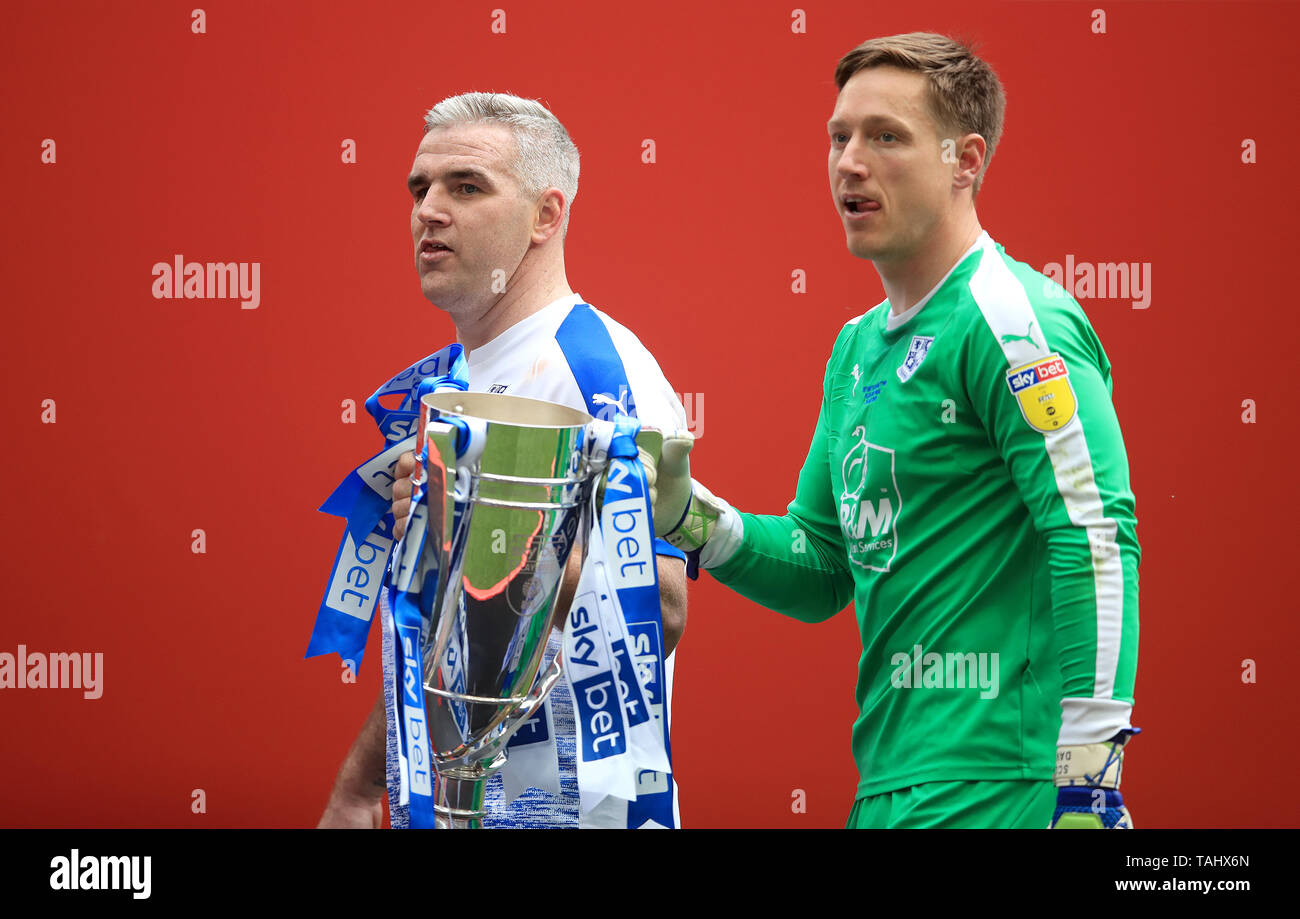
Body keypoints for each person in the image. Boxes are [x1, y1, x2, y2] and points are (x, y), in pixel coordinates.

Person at [654, 32, 1140, 829]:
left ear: (966, 159)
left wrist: (1089, 781)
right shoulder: (854, 347)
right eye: (838, 137)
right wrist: (694, 521)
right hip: (886, 789)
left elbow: (1094, 535)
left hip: (1007, 785)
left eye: (886, 136)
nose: (849, 161)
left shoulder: (1015, 321)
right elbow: (822, 568)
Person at [317, 92, 688, 829]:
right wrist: (359, 786)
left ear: (547, 215)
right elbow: (441, 630)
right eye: (419, 188)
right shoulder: (452, 383)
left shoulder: (597, 376)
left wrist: (491, 524)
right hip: (463, 808)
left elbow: (666, 607)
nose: (428, 209)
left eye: (466, 186)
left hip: (577, 814)